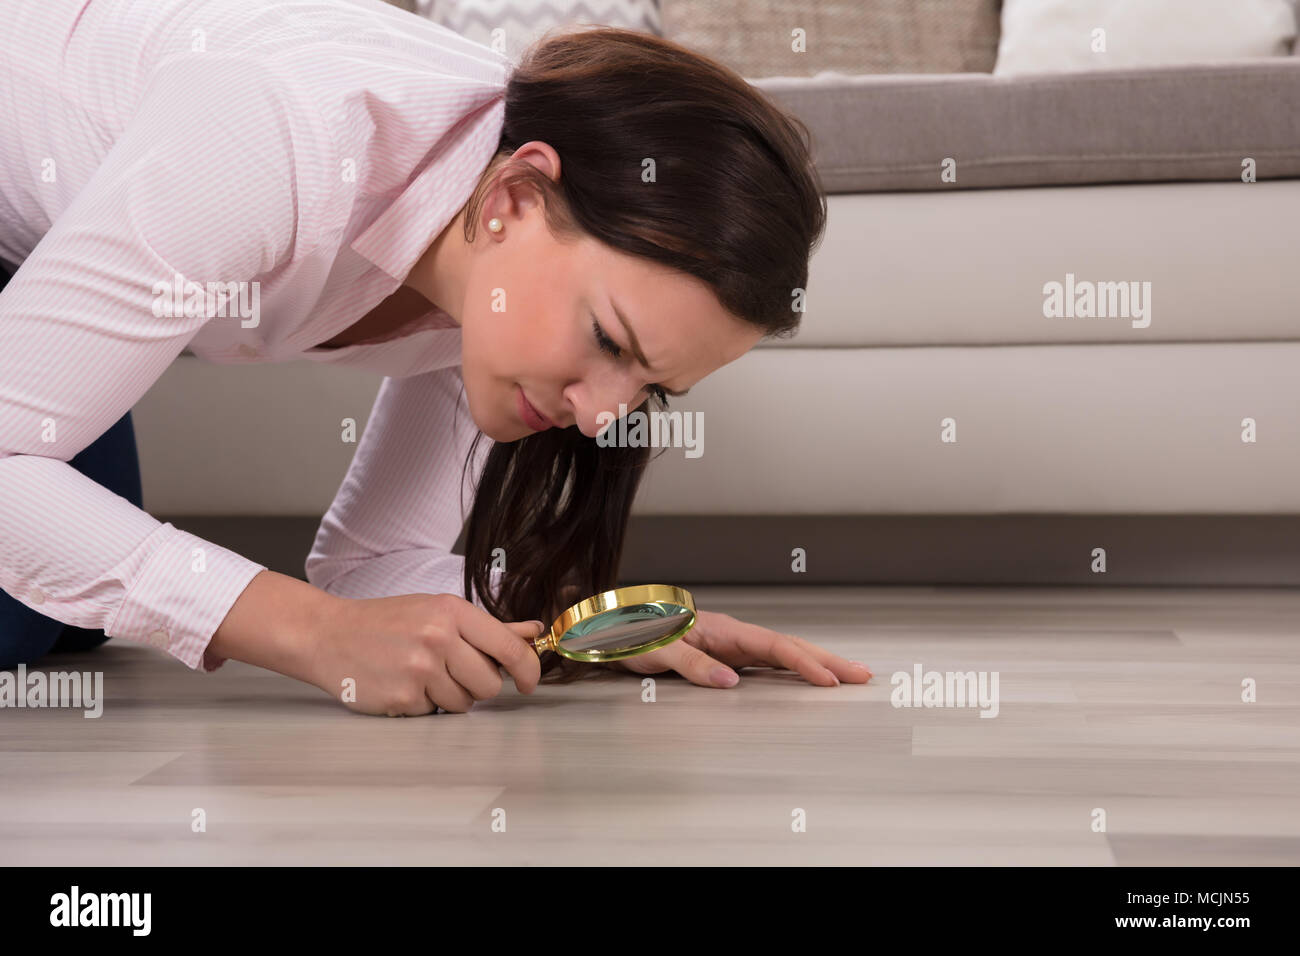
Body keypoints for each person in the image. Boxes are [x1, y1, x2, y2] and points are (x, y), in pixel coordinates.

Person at [0, 0, 872, 716]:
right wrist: (310, 633)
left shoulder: (494, 289)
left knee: (61, 609)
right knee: (25, 616)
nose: (603, 414)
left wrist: (577, 628)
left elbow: (375, 564)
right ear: (514, 199)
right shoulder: (277, 128)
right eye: (610, 341)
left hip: (29, 249)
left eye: (649, 389)